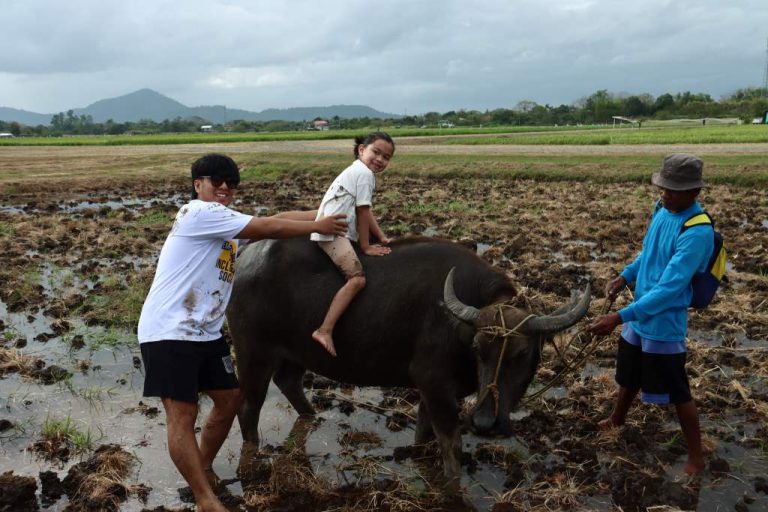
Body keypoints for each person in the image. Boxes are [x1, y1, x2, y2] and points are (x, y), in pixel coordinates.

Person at [137, 153, 347, 512]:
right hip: (169, 331)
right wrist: (320, 227)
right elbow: (269, 228)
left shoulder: (223, 226)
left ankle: (200, 466)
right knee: (182, 415)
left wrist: (322, 214)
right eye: (216, 181)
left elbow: (277, 219)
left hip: (204, 332)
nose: (224, 188)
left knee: (230, 399)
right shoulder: (198, 213)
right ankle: (205, 498)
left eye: (231, 184)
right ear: (197, 184)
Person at [589, 153, 713, 476]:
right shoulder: (663, 209)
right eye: (663, 188)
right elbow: (649, 251)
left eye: (672, 190)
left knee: (678, 390)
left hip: (663, 321)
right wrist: (626, 276)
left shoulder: (697, 231)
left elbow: (671, 287)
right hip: (640, 311)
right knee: (629, 373)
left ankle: (696, 457)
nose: (664, 194)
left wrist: (619, 317)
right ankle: (617, 417)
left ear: (694, 193)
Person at [310, 132, 395, 357]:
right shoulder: (365, 174)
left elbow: (366, 210)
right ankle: (324, 330)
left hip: (338, 228)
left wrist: (382, 237)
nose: (380, 159)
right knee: (357, 279)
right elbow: (363, 211)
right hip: (333, 234)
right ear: (361, 150)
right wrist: (366, 247)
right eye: (376, 152)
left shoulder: (357, 170)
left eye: (386, 157)